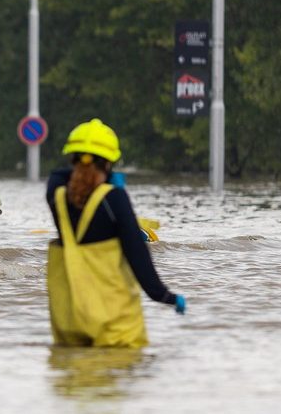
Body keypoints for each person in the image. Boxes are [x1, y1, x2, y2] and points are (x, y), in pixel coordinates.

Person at [45, 119, 186, 348]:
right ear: (109, 163)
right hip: (113, 326)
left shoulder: (57, 197)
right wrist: (163, 295)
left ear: (73, 158)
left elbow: (57, 175)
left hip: (69, 323)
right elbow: (138, 255)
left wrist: (84, 161)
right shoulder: (114, 200)